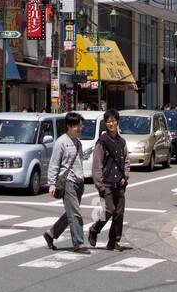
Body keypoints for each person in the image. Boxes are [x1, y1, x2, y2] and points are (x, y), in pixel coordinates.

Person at [44, 112, 89, 253]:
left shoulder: (78, 142)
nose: (80, 128)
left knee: (71, 213)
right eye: (77, 126)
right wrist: (51, 184)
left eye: (81, 126)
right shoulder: (61, 142)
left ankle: (51, 234)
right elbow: (54, 164)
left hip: (79, 182)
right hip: (67, 182)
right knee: (75, 214)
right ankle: (79, 243)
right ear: (69, 126)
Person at [87, 108, 132, 251]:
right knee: (108, 211)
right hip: (106, 183)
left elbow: (126, 160)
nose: (111, 124)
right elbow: (97, 164)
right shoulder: (102, 142)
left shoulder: (122, 141)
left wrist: (125, 176)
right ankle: (94, 230)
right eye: (108, 121)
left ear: (117, 121)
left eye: (113, 121)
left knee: (119, 214)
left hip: (119, 182)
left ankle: (113, 241)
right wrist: (99, 184)